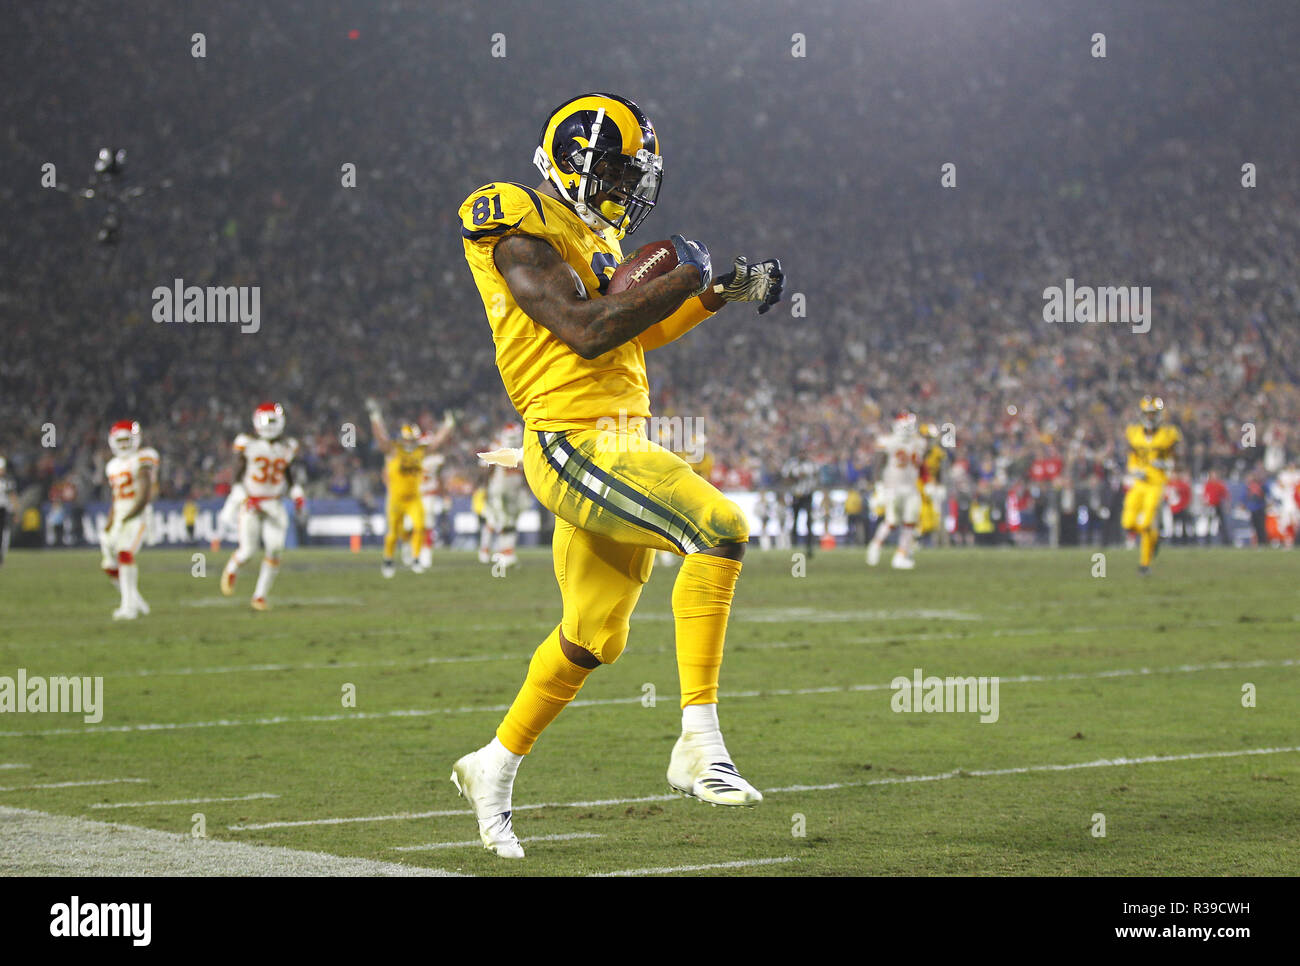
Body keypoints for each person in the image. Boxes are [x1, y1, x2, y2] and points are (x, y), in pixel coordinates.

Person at [450, 92, 783, 858]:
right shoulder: (513, 218)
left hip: (614, 438)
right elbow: (586, 329)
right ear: (575, 157)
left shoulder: (593, 242)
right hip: (574, 440)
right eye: (618, 172)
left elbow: (637, 330)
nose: (625, 191)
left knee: (594, 636)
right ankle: (699, 741)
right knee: (720, 526)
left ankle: (492, 765)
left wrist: (719, 290)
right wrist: (682, 272)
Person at [219, 402, 305, 611]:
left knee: (275, 549)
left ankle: (260, 595)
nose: (269, 425)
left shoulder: (288, 446)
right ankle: (232, 567)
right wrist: (240, 498)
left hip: (274, 503)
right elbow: (237, 476)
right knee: (248, 551)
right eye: (266, 421)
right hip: (251, 502)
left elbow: (288, 474)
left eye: (273, 421)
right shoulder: (247, 443)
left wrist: (296, 492)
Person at [366, 401, 454, 577]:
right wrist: (375, 419)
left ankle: (415, 560)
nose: (411, 443)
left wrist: (448, 426)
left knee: (420, 527)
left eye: (414, 440)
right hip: (396, 499)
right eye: (409, 440)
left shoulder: (419, 451)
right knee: (393, 533)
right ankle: (388, 561)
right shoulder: (394, 449)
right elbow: (381, 439)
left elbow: (436, 443)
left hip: (414, 497)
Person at [101, 421, 158, 620]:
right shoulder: (112, 466)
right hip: (119, 514)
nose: (124, 444)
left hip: (137, 514)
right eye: (120, 440)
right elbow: (115, 497)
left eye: (127, 439)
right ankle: (136, 602)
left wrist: (131, 514)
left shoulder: (144, 457)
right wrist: (111, 520)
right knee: (109, 565)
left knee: (125, 553)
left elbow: (144, 491)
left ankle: (128, 607)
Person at [1121, 396, 1181, 574]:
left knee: (1147, 523)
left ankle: (1144, 564)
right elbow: (1132, 458)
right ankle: (1155, 539)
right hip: (1138, 483)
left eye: (1153, 414)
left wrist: (1167, 465)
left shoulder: (1168, 434)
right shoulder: (1134, 433)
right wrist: (1133, 470)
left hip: (1156, 483)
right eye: (1147, 414)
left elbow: (1176, 459)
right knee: (1128, 523)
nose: (1149, 417)